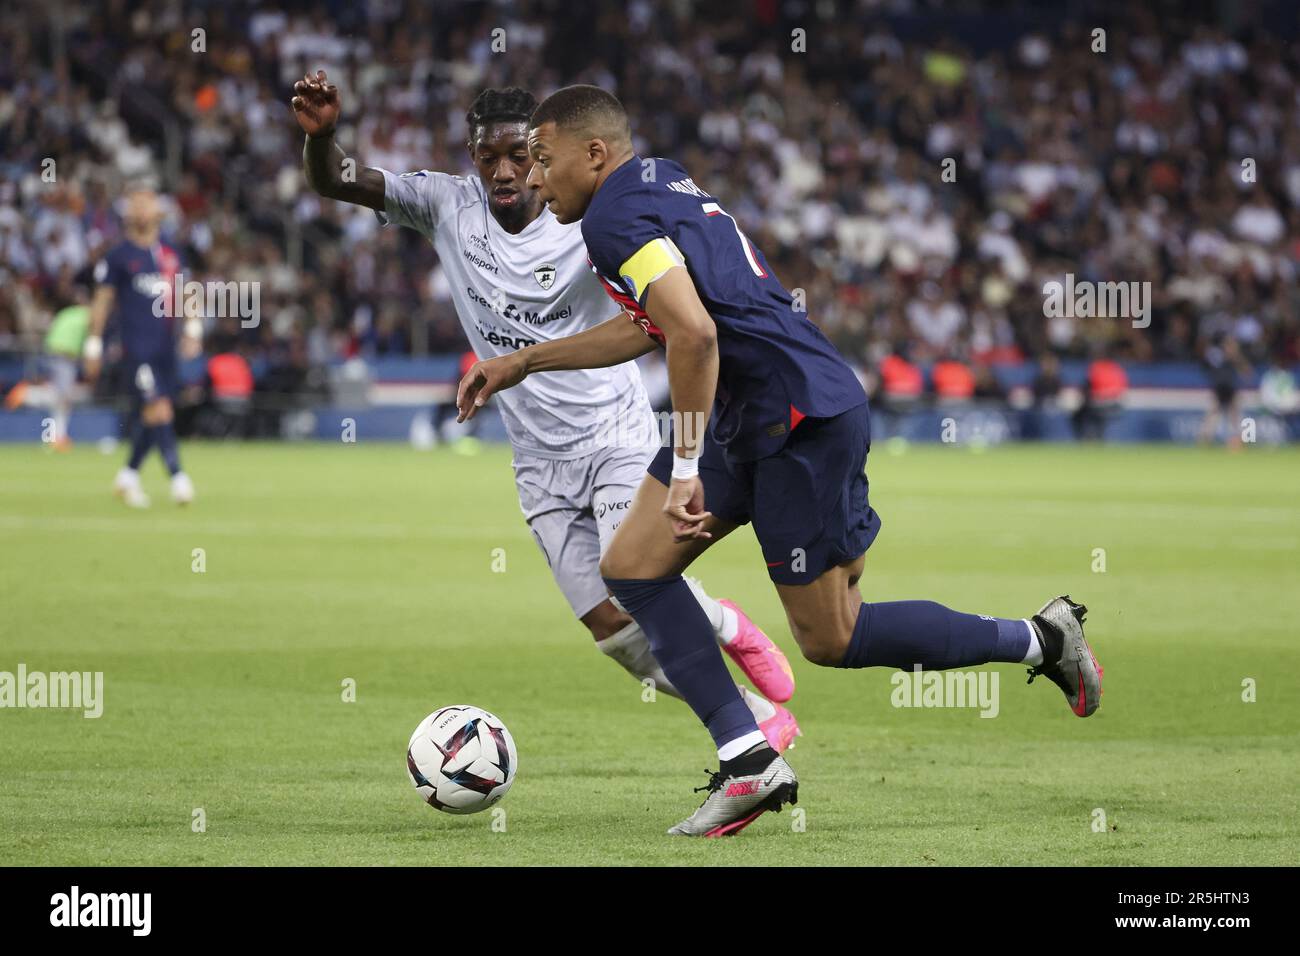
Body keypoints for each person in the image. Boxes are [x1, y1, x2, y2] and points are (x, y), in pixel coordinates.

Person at [459, 85, 1103, 837]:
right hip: (750, 412)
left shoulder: (609, 218)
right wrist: (527, 360)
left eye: (542, 158)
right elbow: (659, 326)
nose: (533, 178)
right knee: (633, 566)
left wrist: (689, 464)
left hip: (797, 419)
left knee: (833, 638)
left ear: (593, 153)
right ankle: (748, 761)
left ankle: (1040, 637)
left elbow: (692, 337)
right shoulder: (657, 181)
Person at [291, 72, 800, 751]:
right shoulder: (446, 205)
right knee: (610, 630)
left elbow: (671, 313)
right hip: (536, 458)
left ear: (541, 152)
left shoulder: (587, 217)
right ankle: (751, 708)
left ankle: (723, 644)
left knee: (642, 585)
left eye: (518, 156)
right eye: (487, 156)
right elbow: (339, 183)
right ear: (471, 156)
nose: (503, 171)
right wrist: (324, 139)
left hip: (617, 435)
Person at [84, 189, 199, 507]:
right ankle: (179, 479)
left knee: (157, 414)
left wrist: (193, 328)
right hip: (135, 348)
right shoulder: (118, 255)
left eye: (147, 203)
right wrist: (93, 345)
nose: (142, 209)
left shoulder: (171, 252)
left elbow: (187, 291)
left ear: (158, 210)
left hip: (165, 346)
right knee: (157, 408)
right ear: (128, 213)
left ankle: (128, 476)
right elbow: (103, 300)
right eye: (136, 204)